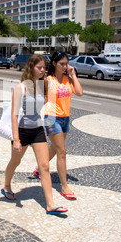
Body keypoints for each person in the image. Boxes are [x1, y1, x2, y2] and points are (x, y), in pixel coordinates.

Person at [1, 54, 68, 216]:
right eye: (39, 67)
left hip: (38, 130)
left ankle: (50, 205)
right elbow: (14, 115)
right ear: (31, 68)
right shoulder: (21, 87)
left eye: (44, 67)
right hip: (22, 132)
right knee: (15, 161)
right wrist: (16, 139)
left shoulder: (42, 85)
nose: (42, 70)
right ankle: (6, 186)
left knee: (44, 166)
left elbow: (59, 76)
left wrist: (69, 71)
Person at [33, 51, 83, 200]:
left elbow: (79, 92)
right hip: (51, 118)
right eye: (61, 64)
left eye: (66, 64)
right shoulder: (48, 80)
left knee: (55, 148)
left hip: (65, 118)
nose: (64, 66)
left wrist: (73, 75)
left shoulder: (68, 79)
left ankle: (38, 168)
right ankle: (64, 187)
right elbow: (34, 95)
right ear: (54, 63)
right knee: (62, 151)